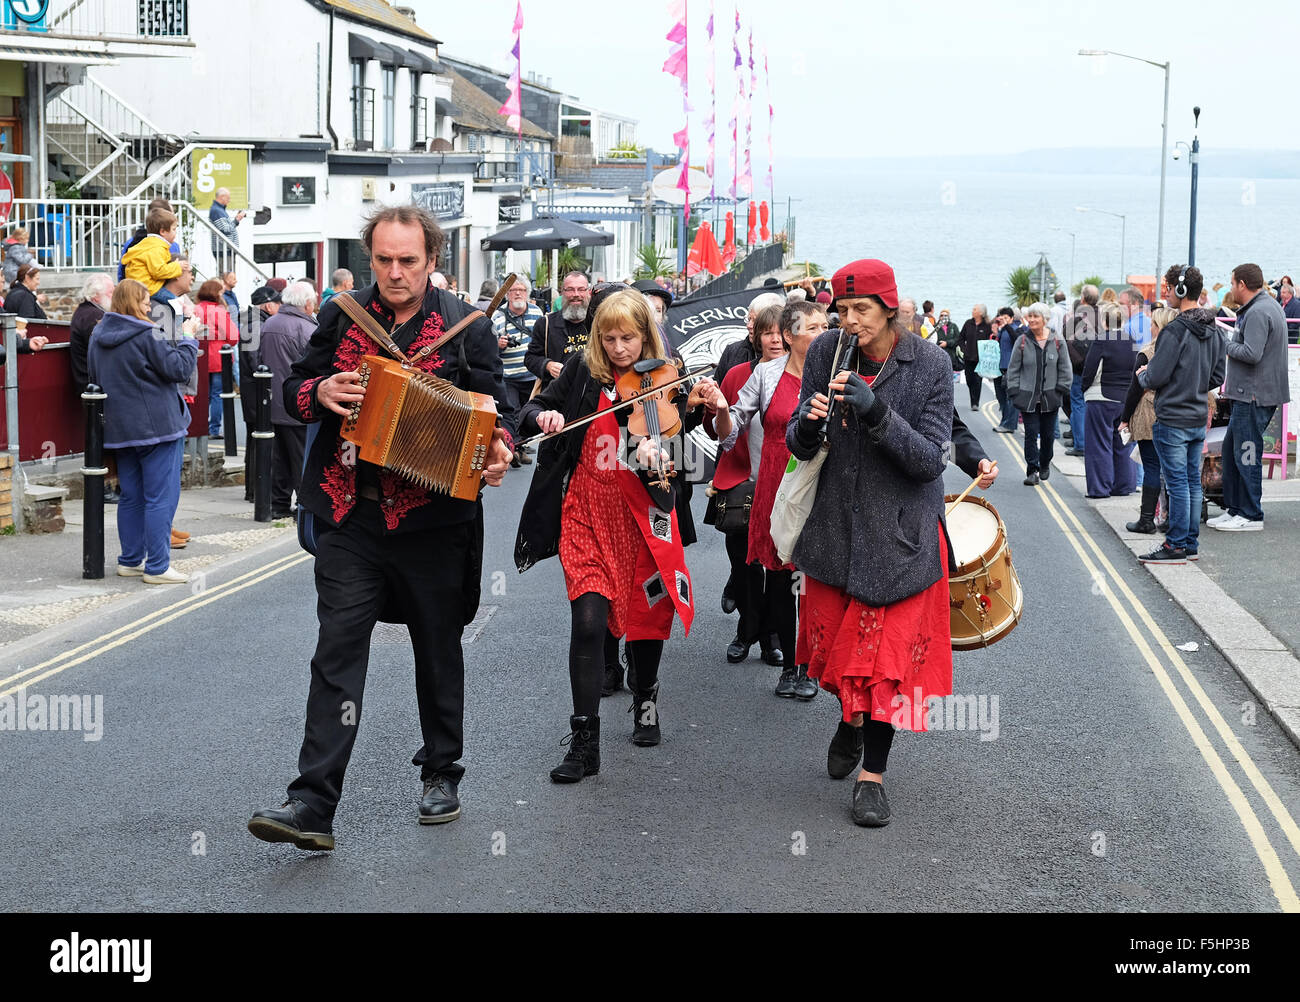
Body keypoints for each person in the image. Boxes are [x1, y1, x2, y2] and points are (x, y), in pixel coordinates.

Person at [248, 205, 513, 850]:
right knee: (336, 649)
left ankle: (441, 771)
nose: (396, 273)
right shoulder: (341, 314)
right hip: (351, 512)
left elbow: (495, 408)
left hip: (433, 519)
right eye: (385, 260)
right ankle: (311, 803)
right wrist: (321, 394)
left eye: (409, 261)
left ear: (432, 261)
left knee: (437, 644)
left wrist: (499, 447)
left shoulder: (466, 328)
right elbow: (296, 388)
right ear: (372, 258)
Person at [515, 289, 726, 784]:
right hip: (586, 510)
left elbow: (697, 434)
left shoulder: (666, 375)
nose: (618, 349)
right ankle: (585, 740)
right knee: (588, 620)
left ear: (646, 334)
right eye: (608, 338)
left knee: (646, 617)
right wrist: (542, 416)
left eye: (627, 338)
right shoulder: (583, 372)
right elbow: (530, 411)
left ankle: (645, 694)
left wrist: (695, 419)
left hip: (644, 513)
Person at [785, 258, 955, 828]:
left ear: (889, 309)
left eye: (863, 310)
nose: (850, 321)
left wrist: (877, 411)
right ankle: (850, 720)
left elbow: (930, 461)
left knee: (883, 668)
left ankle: (873, 778)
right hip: (835, 530)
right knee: (837, 656)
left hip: (900, 539)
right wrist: (807, 426)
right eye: (843, 310)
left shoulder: (930, 363)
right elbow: (800, 446)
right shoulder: (827, 351)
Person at [720, 299, 829, 699]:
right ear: (788, 335)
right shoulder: (765, 374)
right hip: (776, 488)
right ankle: (789, 666)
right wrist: (719, 411)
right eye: (812, 328)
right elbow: (730, 431)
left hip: (819, 486)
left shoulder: (837, 375)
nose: (822, 334)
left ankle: (810, 666)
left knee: (813, 581)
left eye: (824, 326)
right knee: (781, 578)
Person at [87, 280, 199, 585]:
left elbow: (93, 378)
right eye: (146, 302)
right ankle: (158, 566)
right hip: (159, 427)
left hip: (120, 429)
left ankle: (130, 561)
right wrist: (188, 338)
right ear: (135, 302)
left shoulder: (98, 334)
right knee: (161, 498)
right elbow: (178, 369)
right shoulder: (148, 333)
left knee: (132, 497)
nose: (149, 307)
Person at [707, 302, 788, 670]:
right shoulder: (739, 373)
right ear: (755, 336)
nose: (774, 339)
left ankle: (770, 636)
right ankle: (747, 627)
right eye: (767, 332)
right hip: (741, 480)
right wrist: (721, 410)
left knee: (778, 569)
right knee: (743, 565)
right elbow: (717, 431)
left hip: (783, 485)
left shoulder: (801, 374)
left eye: (780, 332)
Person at [1136, 265, 1225, 564]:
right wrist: (1194, 384)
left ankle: (1174, 546)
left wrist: (1143, 376)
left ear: (1182, 290)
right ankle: (1189, 544)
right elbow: (1217, 375)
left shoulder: (1174, 330)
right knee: (1190, 482)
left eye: (1168, 287)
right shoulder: (1214, 328)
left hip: (1172, 417)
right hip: (1197, 416)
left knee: (1177, 484)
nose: (1165, 292)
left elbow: (1158, 375)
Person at [1210, 263, 1291, 532]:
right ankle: (1236, 510)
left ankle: (1251, 514)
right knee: (1233, 451)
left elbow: (1252, 353)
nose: (1231, 287)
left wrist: (1225, 343)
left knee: (1246, 454)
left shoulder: (1257, 312)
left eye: (1232, 283)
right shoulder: (1267, 306)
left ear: (1242, 284)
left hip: (1252, 395)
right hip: (1253, 393)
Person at [258, 281, 318, 518]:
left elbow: (259, 360)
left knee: (280, 458)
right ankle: (304, 508)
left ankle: (279, 505)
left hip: (273, 402)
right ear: (306, 304)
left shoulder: (270, 323)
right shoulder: (307, 329)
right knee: (302, 458)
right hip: (298, 403)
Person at [1120, 306, 1177, 533]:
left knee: (1152, 467)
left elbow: (1134, 389)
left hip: (1148, 414)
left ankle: (1146, 520)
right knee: (1174, 468)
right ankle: (1171, 518)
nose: (1150, 327)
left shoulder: (1147, 353)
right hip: (1174, 413)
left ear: (1159, 327)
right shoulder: (1180, 352)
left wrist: (1125, 419)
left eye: (1153, 323)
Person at [1006, 302, 1072, 486]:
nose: (1032, 320)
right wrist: (1014, 391)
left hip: (1050, 398)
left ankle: (1045, 463)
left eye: (1036, 316)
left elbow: (1065, 368)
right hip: (1027, 398)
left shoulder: (1057, 341)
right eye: (1031, 316)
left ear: (1045, 319)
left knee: (1048, 435)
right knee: (1031, 434)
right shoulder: (1022, 341)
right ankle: (1032, 470)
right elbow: (1013, 369)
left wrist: (1061, 388)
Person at [1081, 301, 1138, 498]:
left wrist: (1084, 390)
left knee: (1099, 445)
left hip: (1101, 397)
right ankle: (1123, 486)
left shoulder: (1102, 340)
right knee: (1123, 444)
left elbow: (1089, 370)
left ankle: (1099, 488)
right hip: (1126, 399)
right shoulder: (1132, 340)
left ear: (1104, 321)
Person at [492, 273, 544, 466]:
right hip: (509, 375)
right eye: (513, 290)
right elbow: (488, 347)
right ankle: (513, 449)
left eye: (521, 290)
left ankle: (520, 446)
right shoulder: (497, 317)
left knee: (526, 413)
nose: (517, 294)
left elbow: (542, 340)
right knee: (512, 412)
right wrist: (498, 344)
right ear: (507, 294)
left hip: (531, 375)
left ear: (527, 293)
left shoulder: (537, 313)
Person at [240, 285, 281, 503]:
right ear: (267, 304)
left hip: (252, 391)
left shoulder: (252, 321)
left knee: (254, 441)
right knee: (259, 441)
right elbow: (257, 362)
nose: (280, 307)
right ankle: (256, 491)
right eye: (278, 303)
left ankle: (253, 490)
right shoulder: (255, 324)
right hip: (257, 392)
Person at [526, 270, 592, 390]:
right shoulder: (545, 324)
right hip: (555, 394)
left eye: (581, 289)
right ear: (562, 292)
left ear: (589, 292)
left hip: (591, 394)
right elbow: (530, 358)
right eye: (570, 289)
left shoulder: (598, 323)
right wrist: (548, 365)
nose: (576, 294)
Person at [194, 279, 239, 439]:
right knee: (217, 394)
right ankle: (213, 429)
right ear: (215, 293)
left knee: (201, 394)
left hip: (199, 356)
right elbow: (233, 337)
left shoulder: (195, 309)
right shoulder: (219, 311)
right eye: (220, 292)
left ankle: (199, 426)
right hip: (220, 357)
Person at [713, 291, 785, 383]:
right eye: (749, 319)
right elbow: (718, 388)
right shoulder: (732, 352)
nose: (749, 325)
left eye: (755, 320)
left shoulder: (794, 360)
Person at [1064, 285, 1100, 455]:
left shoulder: (1078, 318)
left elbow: (1066, 341)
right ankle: (1087, 440)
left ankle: (1080, 443)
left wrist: (1078, 361)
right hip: (1100, 368)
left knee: (1078, 403)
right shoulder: (1102, 316)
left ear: (1083, 299)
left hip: (1080, 369)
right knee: (1092, 404)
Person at [69, 273, 116, 390]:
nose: (115, 297)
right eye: (111, 293)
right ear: (96, 296)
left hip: (90, 382)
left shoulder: (86, 311)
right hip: (94, 385)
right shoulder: (93, 316)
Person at [122, 207, 183, 296]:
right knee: (173, 301)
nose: (175, 233)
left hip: (139, 287)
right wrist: (177, 266)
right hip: (147, 288)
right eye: (174, 229)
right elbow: (159, 272)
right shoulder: (156, 248)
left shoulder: (150, 243)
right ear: (162, 231)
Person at [958, 304, 991, 410]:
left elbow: (991, 340)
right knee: (969, 379)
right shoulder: (968, 323)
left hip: (980, 358)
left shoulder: (987, 325)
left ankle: (975, 403)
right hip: (968, 357)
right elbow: (961, 338)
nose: (972, 311)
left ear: (981, 313)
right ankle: (973, 397)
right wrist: (963, 349)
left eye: (975, 309)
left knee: (977, 380)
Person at [209, 188, 246, 272]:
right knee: (226, 277)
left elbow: (226, 227)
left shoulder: (219, 210)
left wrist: (236, 220)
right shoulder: (217, 211)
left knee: (228, 276)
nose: (229, 200)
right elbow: (226, 229)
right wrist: (237, 220)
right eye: (228, 198)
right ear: (222, 197)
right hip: (224, 250)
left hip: (226, 250)